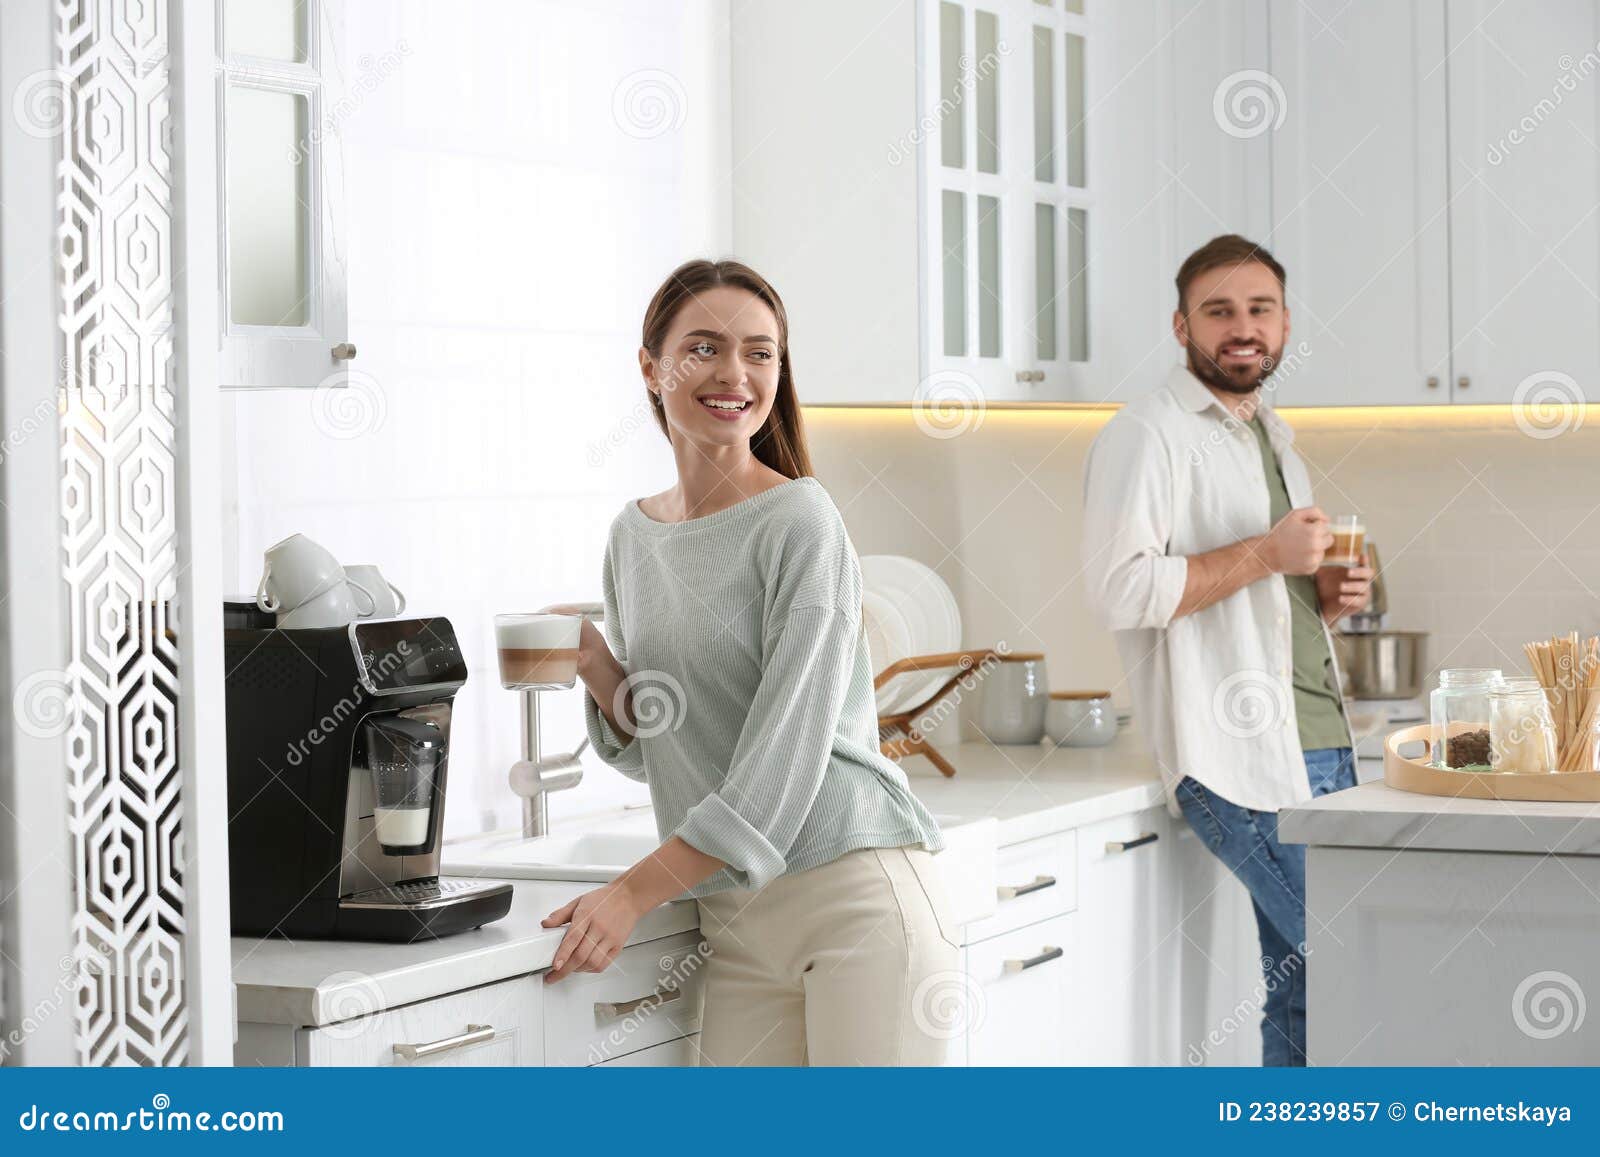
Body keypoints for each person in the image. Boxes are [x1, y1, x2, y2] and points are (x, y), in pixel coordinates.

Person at [542, 258, 959, 1067]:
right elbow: (658, 742)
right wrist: (595, 665)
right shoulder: (632, 537)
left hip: (853, 902)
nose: (736, 373)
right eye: (704, 348)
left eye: (760, 352)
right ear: (651, 367)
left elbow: (779, 765)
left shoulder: (800, 521)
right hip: (730, 920)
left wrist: (632, 890)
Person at [1080, 235, 1374, 1066]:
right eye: (1219, 311)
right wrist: (1267, 555)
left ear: (1285, 325)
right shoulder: (1148, 435)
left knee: (1306, 984)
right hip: (1236, 758)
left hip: (1319, 746)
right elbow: (1120, 590)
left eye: (1260, 309)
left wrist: (1314, 597)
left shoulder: (1273, 435)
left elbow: (1257, 588)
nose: (1242, 327)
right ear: (1182, 326)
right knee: (1357, 966)